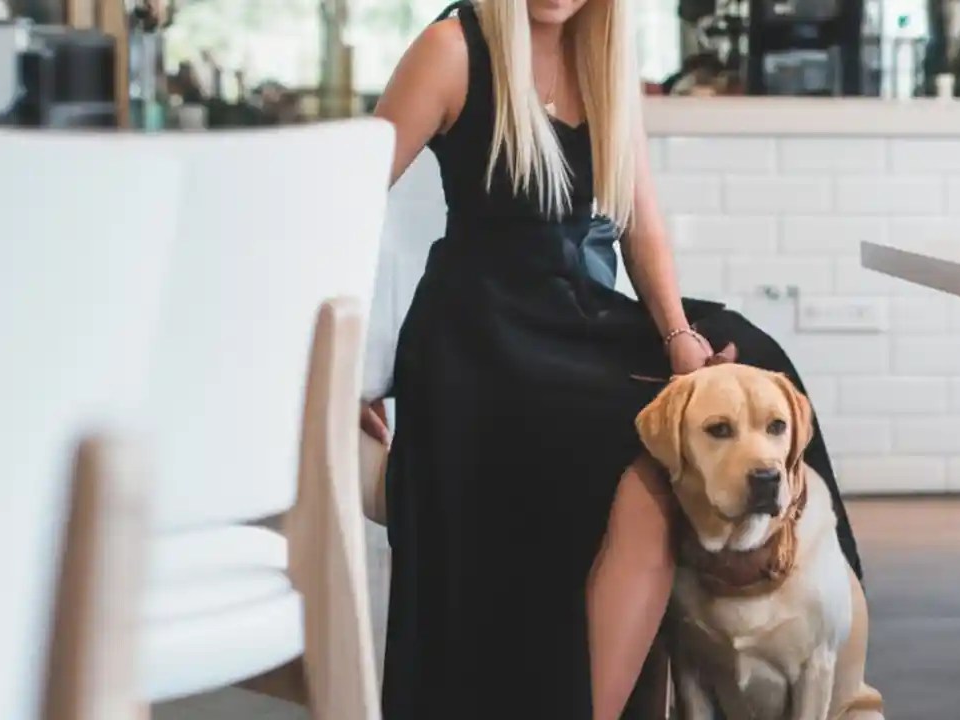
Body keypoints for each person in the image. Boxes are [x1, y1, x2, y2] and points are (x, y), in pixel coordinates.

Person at [361, 1, 863, 717]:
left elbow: (639, 215)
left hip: (580, 317)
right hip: (481, 338)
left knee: (748, 352)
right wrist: (348, 366)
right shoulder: (452, 48)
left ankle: (825, 676)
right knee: (645, 472)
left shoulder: (601, 56)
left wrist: (677, 335)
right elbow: (341, 203)